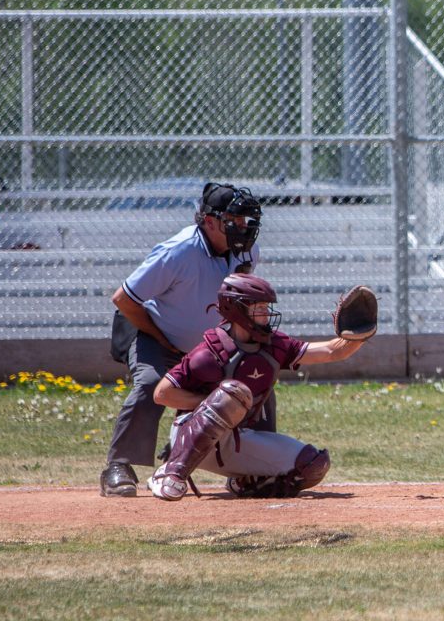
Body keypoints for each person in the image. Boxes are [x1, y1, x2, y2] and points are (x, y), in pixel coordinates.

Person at [99, 182, 264, 498]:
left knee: (250, 381)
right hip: (151, 329)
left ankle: (243, 468)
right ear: (210, 221)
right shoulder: (179, 251)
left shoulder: (246, 250)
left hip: (204, 342)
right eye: (234, 221)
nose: (243, 229)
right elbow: (124, 299)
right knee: (151, 384)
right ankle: (119, 465)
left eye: (246, 221)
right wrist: (163, 339)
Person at [146, 274, 371, 501]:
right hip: (192, 441)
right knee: (231, 395)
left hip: (238, 439)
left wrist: (359, 334)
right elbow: (162, 394)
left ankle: (246, 482)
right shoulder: (209, 352)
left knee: (313, 464)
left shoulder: (275, 345)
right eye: (258, 307)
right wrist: (214, 404)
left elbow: (334, 351)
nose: (265, 313)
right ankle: (171, 472)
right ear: (236, 309)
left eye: (266, 306)